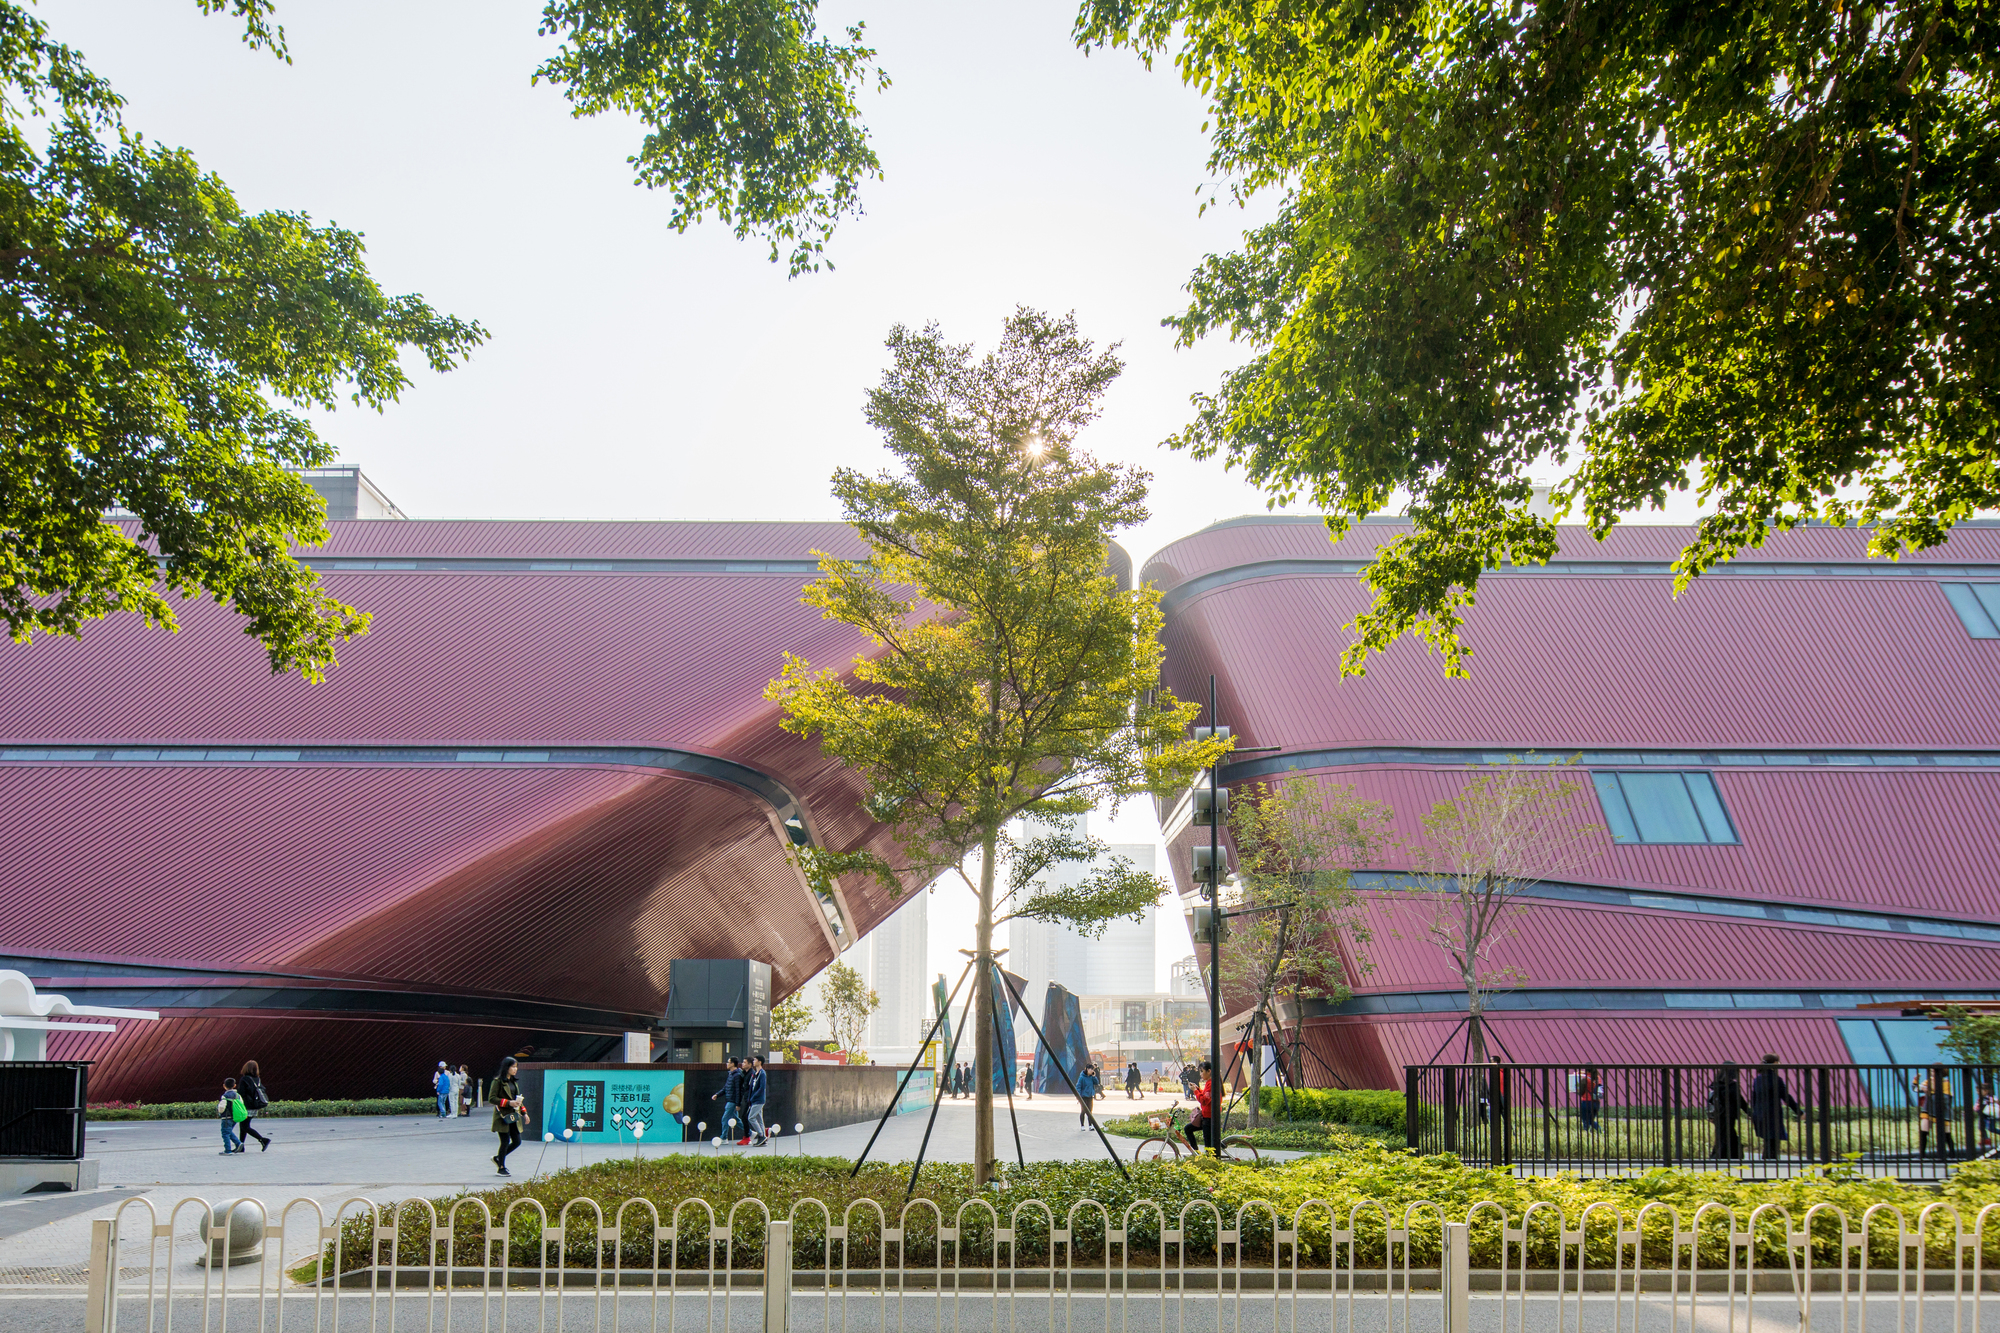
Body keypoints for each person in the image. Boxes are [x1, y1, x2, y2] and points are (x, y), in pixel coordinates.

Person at [1748, 1055, 1801, 1160]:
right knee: (1773, 1140)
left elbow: (1754, 1097)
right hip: (1772, 1113)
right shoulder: (1776, 1079)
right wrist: (1799, 1111)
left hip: (1759, 1113)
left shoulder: (1757, 1079)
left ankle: (1766, 1160)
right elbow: (1786, 1097)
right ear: (1775, 1063)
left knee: (1767, 1140)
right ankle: (1770, 1162)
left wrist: (1753, 1112)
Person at [490, 1057, 530, 1175]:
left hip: (513, 1116)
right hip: (502, 1116)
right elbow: (492, 1098)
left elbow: (518, 1100)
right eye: (513, 1067)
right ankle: (501, 1167)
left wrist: (524, 1113)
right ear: (506, 1067)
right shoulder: (497, 1081)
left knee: (517, 1141)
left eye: (516, 1067)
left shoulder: (513, 1082)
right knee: (505, 1141)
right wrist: (508, 1102)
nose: (515, 1069)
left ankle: (498, 1158)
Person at [1708, 1064, 1745, 1160]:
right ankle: (1723, 1155)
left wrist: (1710, 1114)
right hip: (1729, 1114)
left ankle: (1720, 1155)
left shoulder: (1715, 1085)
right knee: (1728, 1134)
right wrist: (1748, 1111)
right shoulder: (1732, 1085)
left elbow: (1711, 1100)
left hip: (1718, 1113)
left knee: (1721, 1134)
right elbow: (1739, 1100)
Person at [1917, 1067, 1955, 1158]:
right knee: (1923, 1131)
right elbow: (1916, 1089)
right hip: (1929, 1109)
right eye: (1931, 1071)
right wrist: (1916, 1081)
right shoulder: (1928, 1081)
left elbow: (1945, 1099)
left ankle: (1952, 1154)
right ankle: (1922, 1155)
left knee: (1946, 1134)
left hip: (1943, 1111)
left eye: (1934, 1071)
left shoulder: (1946, 1083)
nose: (1932, 1073)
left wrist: (1931, 1092)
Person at [235, 1060, 272, 1152]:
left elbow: (241, 1093)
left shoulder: (245, 1079)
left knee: (245, 1127)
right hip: (254, 1106)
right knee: (244, 1125)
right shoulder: (257, 1079)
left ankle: (262, 1140)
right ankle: (241, 1146)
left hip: (246, 1106)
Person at [1183, 1061, 1214, 1154]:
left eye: (1202, 1071)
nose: (1200, 1074)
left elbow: (1204, 1100)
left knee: (1208, 1143)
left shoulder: (1211, 1084)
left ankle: (1200, 1156)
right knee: (1188, 1129)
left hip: (1209, 1117)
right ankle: (1196, 1153)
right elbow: (1205, 1096)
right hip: (1206, 1115)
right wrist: (1197, 1089)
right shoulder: (1209, 1083)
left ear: (1209, 1071)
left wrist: (1195, 1091)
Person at [713, 1057, 744, 1140]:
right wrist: (717, 1094)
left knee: (725, 1119)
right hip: (730, 1100)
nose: (727, 1064)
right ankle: (750, 1133)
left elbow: (738, 1091)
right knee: (736, 1120)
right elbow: (726, 1088)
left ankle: (723, 1138)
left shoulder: (737, 1075)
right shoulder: (731, 1074)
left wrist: (738, 1104)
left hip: (732, 1101)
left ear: (733, 1064)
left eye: (728, 1062)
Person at [742, 1055, 769, 1146]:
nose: (753, 1061)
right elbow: (751, 1088)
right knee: (759, 1119)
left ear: (760, 1062)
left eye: (755, 1060)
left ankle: (761, 1136)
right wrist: (750, 1098)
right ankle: (763, 1138)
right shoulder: (755, 1073)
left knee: (751, 1117)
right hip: (754, 1100)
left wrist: (752, 1098)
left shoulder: (762, 1073)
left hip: (758, 1100)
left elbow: (761, 1088)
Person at [216, 1077, 246, 1155]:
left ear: (224, 1086)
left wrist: (219, 1112)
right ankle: (238, 1143)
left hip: (226, 1117)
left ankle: (228, 1150)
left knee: (225, 1133)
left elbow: (221, 1107)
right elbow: (241, 1104)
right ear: (235, 1085)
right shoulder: (237, 1095)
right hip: (235, 1117)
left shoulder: (225, 1096)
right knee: (228, 1131)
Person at [1075, 1064, 1101, 1130]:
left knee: (1090, 1111)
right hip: (1083, 1097)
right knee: (1083, 1111)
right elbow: (1078, 1087)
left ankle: (1090, 1125)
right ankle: (1082, 1126)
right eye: (1091, 1069)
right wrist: (1078, 1096)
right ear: (1087, 1069)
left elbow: (1096, 1083)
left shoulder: (1091, 1077)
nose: (1092, 1070)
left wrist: (1094, 1076)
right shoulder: (1082, 1077)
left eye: (1093, 1069)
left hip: (1090, 1096)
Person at [1576, 1067, 1602, 1133]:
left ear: (1587, 1070)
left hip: (1586, 1102)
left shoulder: (1585, 1079)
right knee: (1591, 1120)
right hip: (1596, 1103)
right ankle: (1599, 1131)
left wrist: (1576, 1090)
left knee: (1585, 1120)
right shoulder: (1597, 1078)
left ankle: (1587, 1133)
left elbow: (1581, 1091)